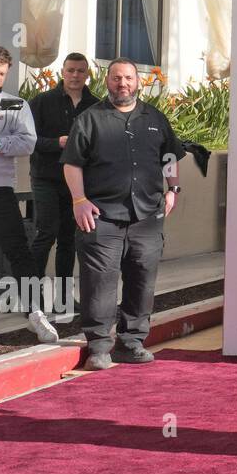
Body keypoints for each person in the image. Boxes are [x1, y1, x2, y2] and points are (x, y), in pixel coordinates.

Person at [63, 58, 185, 369]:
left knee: (142, 280)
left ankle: (131, 343)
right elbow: (72, 163)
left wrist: (173, 189)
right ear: (108, 82)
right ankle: (100, 347)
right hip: (101, 216)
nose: (123, 84)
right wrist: (79, 201)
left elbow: (169, 156)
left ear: (138, 82)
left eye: (129, 78)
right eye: (117, 78)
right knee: (99, 282)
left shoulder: (155, 118)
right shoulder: (90, 119)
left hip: (147, 216)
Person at [0, 45, 52, 342]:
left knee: (18, 250)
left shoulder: (16, 104)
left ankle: (35, 313)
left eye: (1, 74)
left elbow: (28, 144)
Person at [29, 53, 98, 315]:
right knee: (46, 233)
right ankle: (30, 298)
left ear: (87, 74)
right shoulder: (42, 102)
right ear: (62, 72)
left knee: (69, 240)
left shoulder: (95, 105)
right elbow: (29, 140)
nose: (75, 75)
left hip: (78, 183)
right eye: (71, 70)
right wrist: (56, 142)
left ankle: (64, 299)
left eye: (80, 71)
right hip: (46, 177)